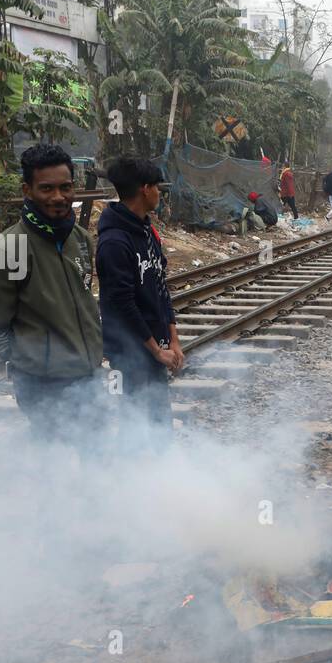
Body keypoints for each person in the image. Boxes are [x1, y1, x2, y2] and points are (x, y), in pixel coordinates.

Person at [0, 143, 103, 439]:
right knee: (56, 459)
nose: (58, 197)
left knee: (94, 455)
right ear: (27, 190)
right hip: (43, 382)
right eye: (46, 189)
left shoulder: (81, 239)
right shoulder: (10, 248)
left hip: (87, 374)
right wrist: (29, 363)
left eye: (66, 187)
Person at [96, 157, 182, 448]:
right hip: (127, 352)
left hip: (154, 348)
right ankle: (128, 480)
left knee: (159, 420)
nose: (160, 192)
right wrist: (156, 350)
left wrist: (173, 339)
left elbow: (160, 285)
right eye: (157, 186)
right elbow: (123, 303)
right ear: (145, 189)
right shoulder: (114, 242)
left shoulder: (147, 231)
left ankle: (161, 476)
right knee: (133, 419)